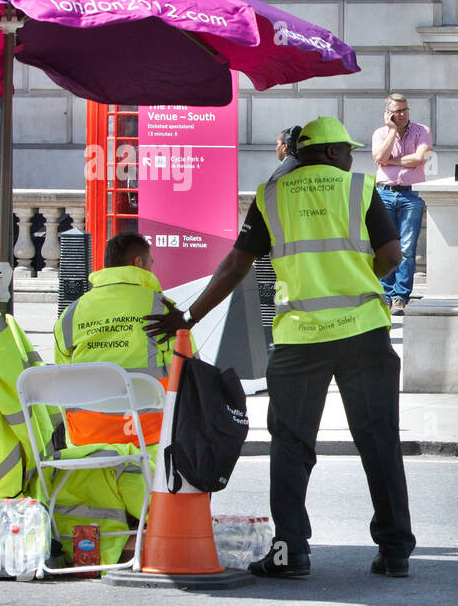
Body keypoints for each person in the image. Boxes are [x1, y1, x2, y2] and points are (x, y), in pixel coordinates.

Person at [146, 117, 415, 581]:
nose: (352, 157)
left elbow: (235, 265)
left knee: (291, 445)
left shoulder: (270, 195)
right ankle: (394, 551)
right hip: (364, 334)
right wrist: (358, 275)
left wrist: (190, 317)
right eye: (346, 150)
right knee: (379, 441)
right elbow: (392, 255)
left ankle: (292, 550)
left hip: (299, 339)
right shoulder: (359, 188)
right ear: (331, 152)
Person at [54, 232, 180, 445]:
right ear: (137, 262)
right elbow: (187, 369)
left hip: (86, 434)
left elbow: (63, 376)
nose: (152, 268)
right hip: (149, 433)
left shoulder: (71, 314)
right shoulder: (163, 308)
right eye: (151, 263)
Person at [372, 93, 431, 316]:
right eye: (398, 111)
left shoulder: (421, 131)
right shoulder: (380, 133)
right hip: (384, 193)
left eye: (405, 109)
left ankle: (400, 297)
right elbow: (379, 157)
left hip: (411, 195)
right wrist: (392, 132)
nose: (403, 114)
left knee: (407, 247)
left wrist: (391, 161)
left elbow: (420, 158)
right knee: (384, 245)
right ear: (389, 113)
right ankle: (386, 295)